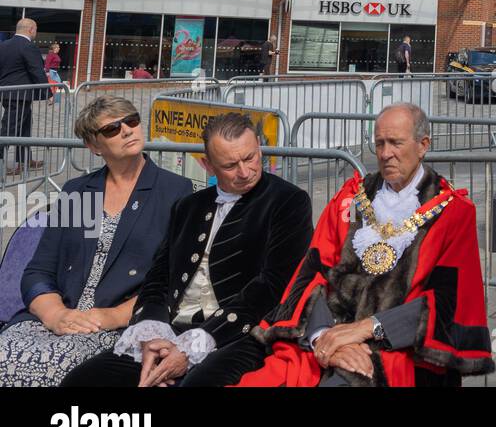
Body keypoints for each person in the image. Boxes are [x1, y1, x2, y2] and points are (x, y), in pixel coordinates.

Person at [236, 104, 493, 386]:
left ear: (422, 145)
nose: (385, 154)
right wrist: (323, 334)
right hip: (330, 336)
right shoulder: (351, 198)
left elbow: (449, 300)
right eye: (379, 143)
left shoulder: (453, 211)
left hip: (399, 349)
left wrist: (368, 328)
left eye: (395, 143)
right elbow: (314, 272)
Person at [63, 112, 313, 387]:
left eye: (251, 157)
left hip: (239, 334)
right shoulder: (189, 206)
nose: (245, 172)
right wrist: (153, 333)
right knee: (83, 380)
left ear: (259, 148)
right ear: (207, 165)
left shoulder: (288, 201)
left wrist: (194, 345)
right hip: (170, 329)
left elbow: (271, 286)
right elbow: (158, 278)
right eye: (230, 165)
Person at [0, 96, 192, 385]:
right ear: (94, 145)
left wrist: (110, 316)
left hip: (118, 326)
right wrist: (56, 315)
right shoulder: (80, 191)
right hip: (58, 319)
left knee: (58, 367)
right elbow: (38, 271)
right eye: (112, 129)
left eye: (131, 120)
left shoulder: (174, 191)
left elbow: (173, 282)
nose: (127, 130)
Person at [0, 18, 52, 175]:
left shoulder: (3, 45)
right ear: (31, 29)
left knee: (24, 128)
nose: (35, 32)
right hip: (20, 95)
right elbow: (36, 71)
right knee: (9, 129)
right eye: (35, 29)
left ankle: (24, 160)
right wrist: (47, 93)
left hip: (8, 93)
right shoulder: (28, 46)